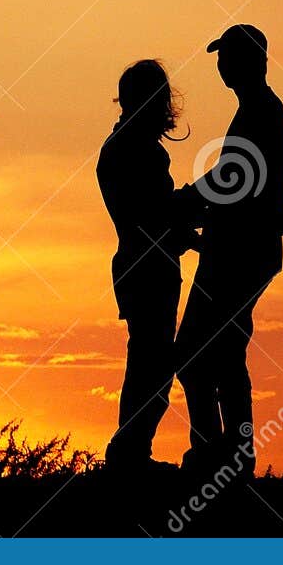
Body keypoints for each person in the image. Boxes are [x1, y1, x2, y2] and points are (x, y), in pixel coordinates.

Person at [174, 24, 283, 480]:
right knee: (222, 355)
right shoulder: (258, 110)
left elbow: (231, 179)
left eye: (229, 57)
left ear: (255, 62)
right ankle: (230, 459)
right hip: (242, 250)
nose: (221, 66)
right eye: (221, 57)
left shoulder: (260, 111)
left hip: (238, 255)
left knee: (196, 355)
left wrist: (183, 200)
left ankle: (218, 457)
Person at [95, 59, 195, 472]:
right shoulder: (138, 152)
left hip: (140, 265)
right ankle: (129, 454)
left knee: (148, 363)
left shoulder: (121, 147)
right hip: (147, 268)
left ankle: (132, 452)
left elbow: (152, 215)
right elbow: (153, 213)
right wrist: (194, 206)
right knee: (152, 366)